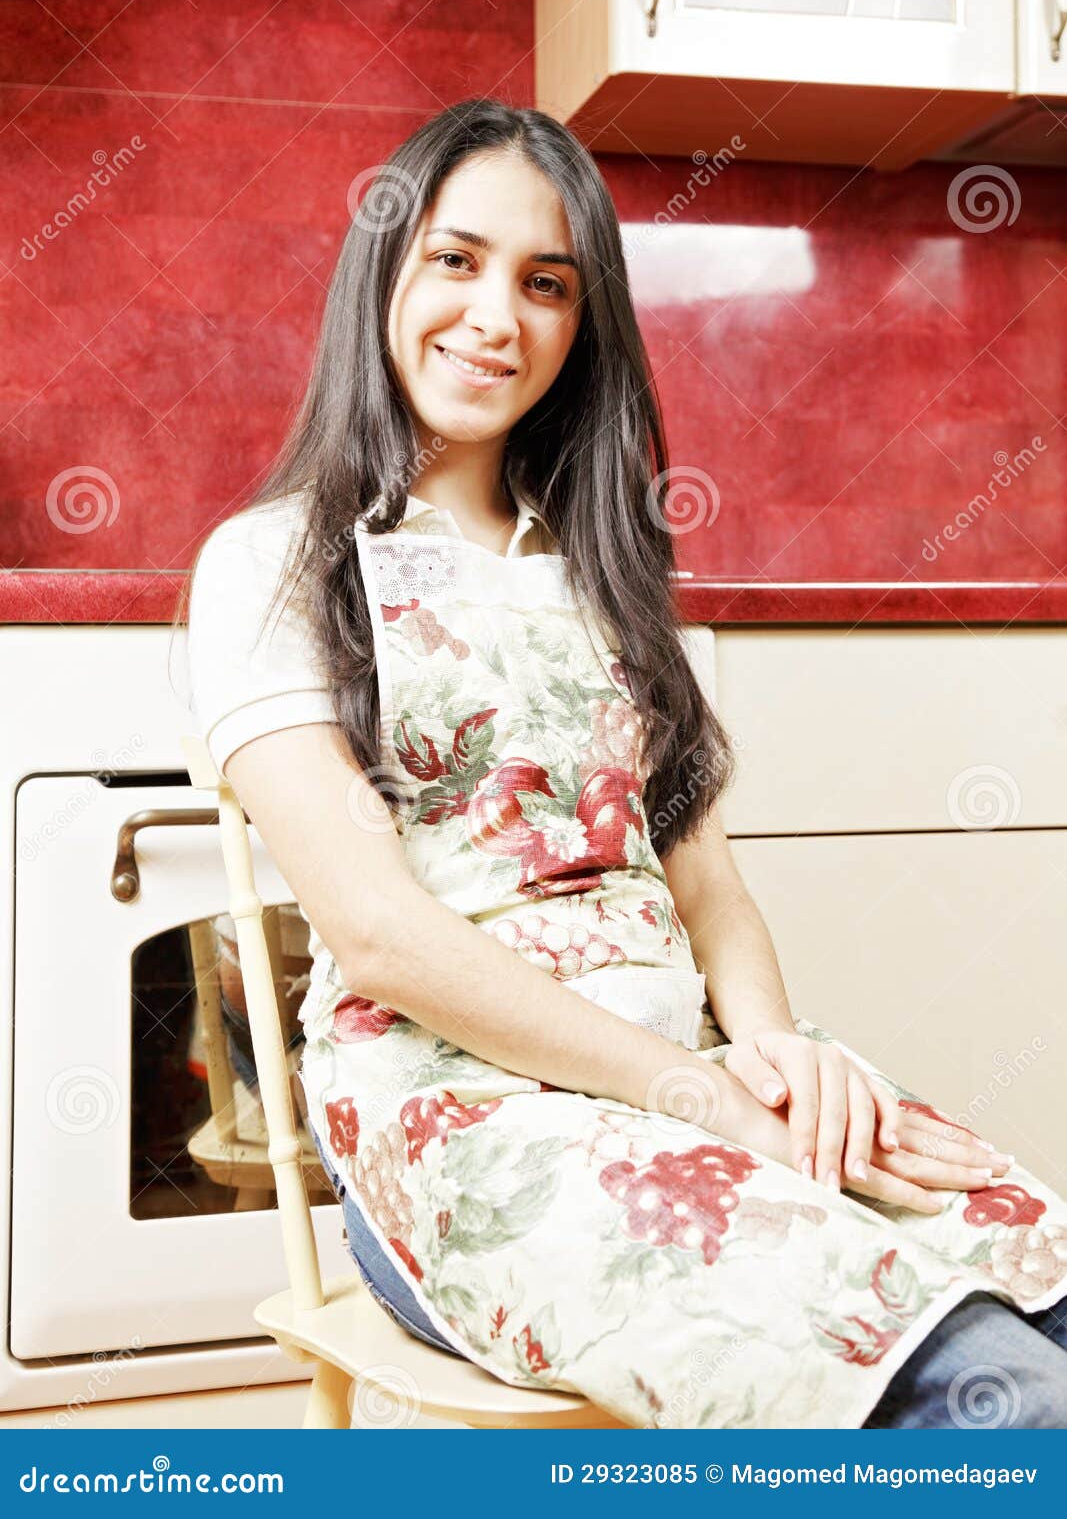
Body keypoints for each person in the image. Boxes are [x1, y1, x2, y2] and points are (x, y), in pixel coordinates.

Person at [176, 97, 1067, 1429]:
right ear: (383, 267)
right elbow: (379, 937)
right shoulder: (273, 563)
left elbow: (708, 892)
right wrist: (700, 1099)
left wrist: (775, 1050)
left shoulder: (606, 568)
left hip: (694, 1070)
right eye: (456, 259)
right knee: (1004, 1401)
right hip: (459, 1118)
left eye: (547, 284)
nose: (497, 317)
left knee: (1028, 1272)